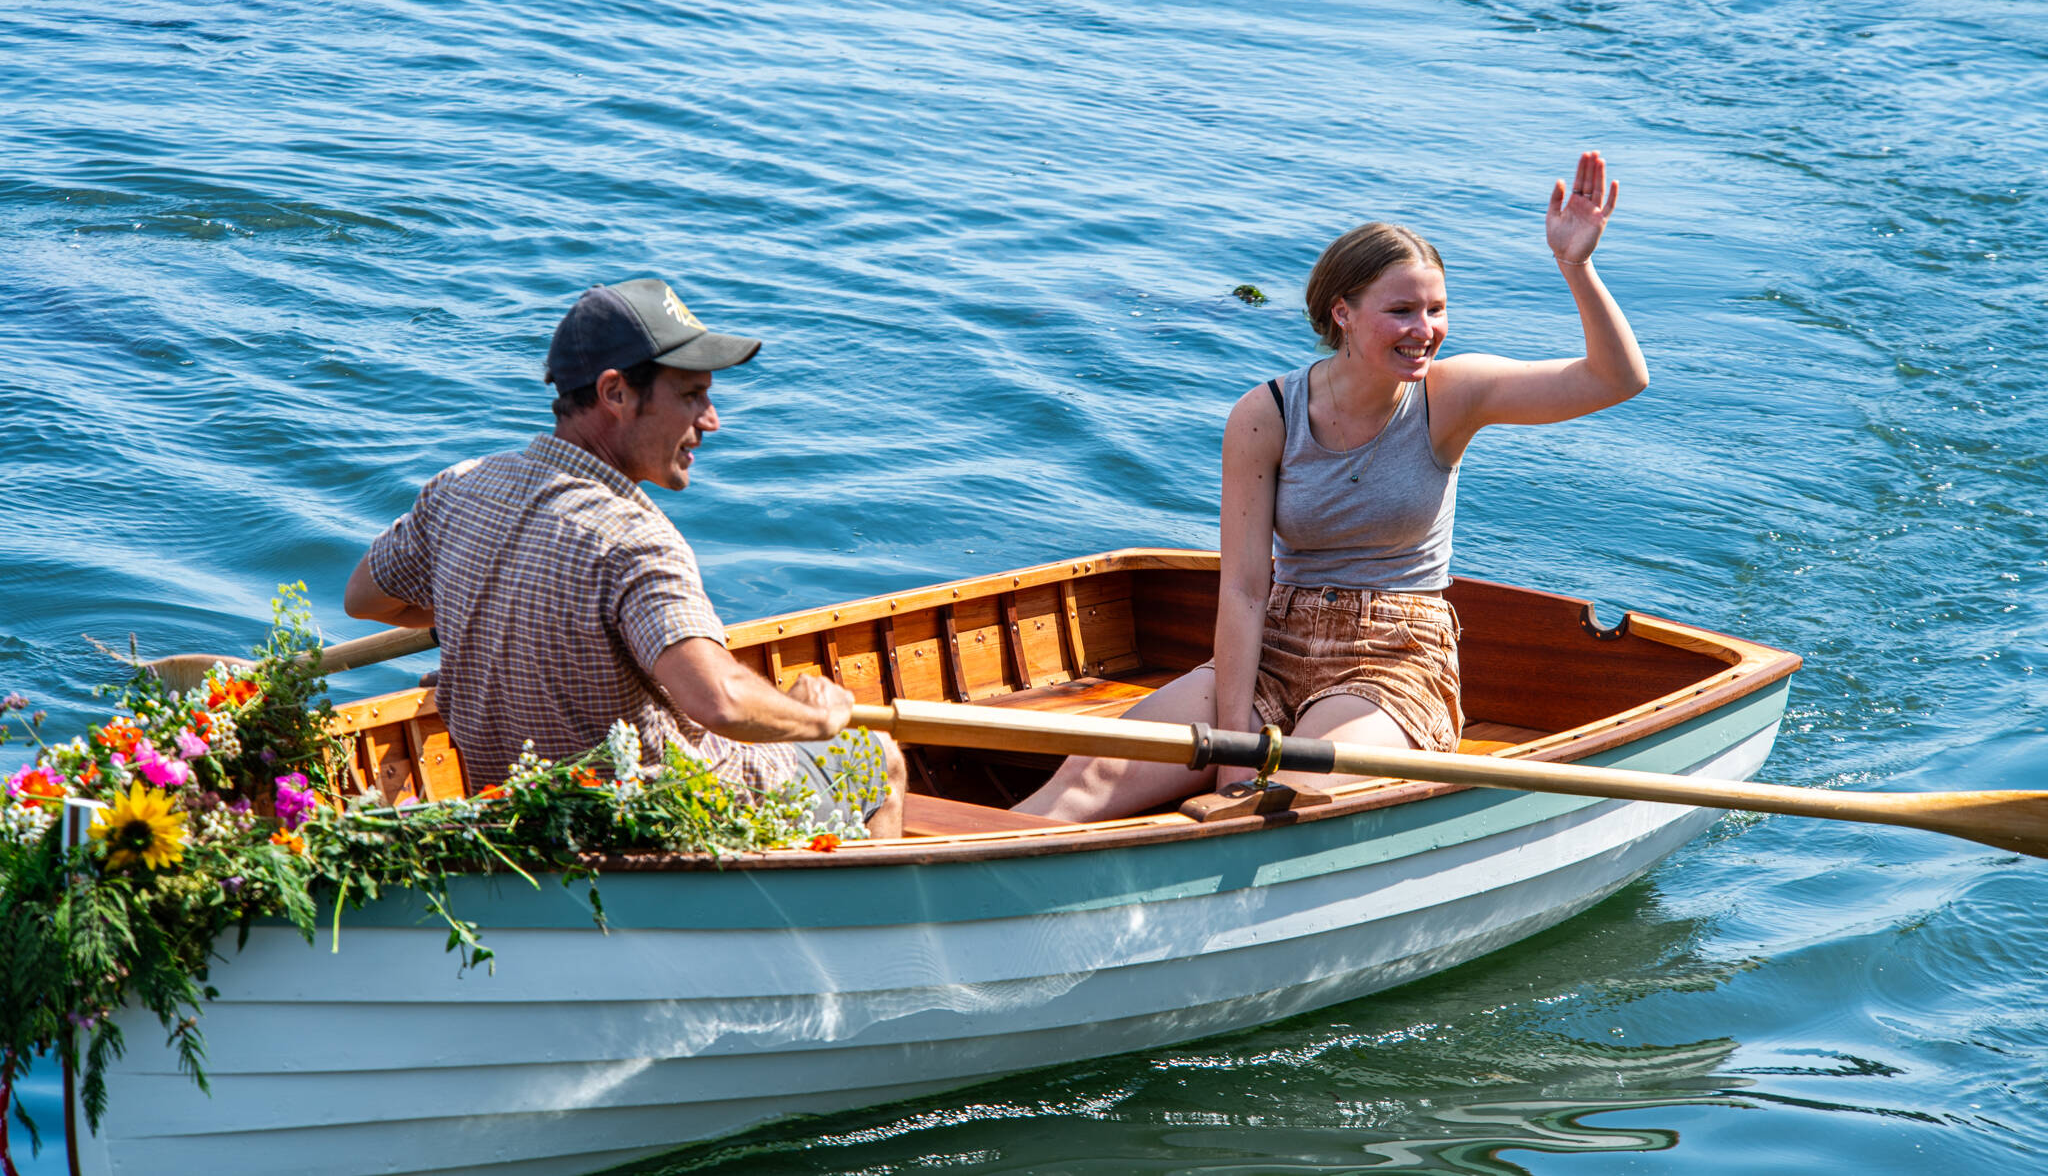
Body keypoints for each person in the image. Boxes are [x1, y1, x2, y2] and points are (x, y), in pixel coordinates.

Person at [1016, 151, 1647, 821]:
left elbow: (1616, 379)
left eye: (1435, 309)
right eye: (1401, 309)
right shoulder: (1266, 414)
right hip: (1275, 642)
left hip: (1394, 656)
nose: (1424, 329)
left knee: (1287, 793)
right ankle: (947, 877)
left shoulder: (1451, 395)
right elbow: (1244, 587)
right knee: (1092, 773)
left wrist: (1576, 266)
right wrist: (1231, 742)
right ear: (1342, 313)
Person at [343, 277, 905, 837]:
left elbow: (364, 600)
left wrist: (482, 610)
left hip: (526, 818)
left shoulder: (461, 490)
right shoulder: (635, 540)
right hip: (661, 820)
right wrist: (815, 716)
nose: (711, 420)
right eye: (691, 396)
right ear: (615, 393)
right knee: (876, 755)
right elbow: (720, 702)